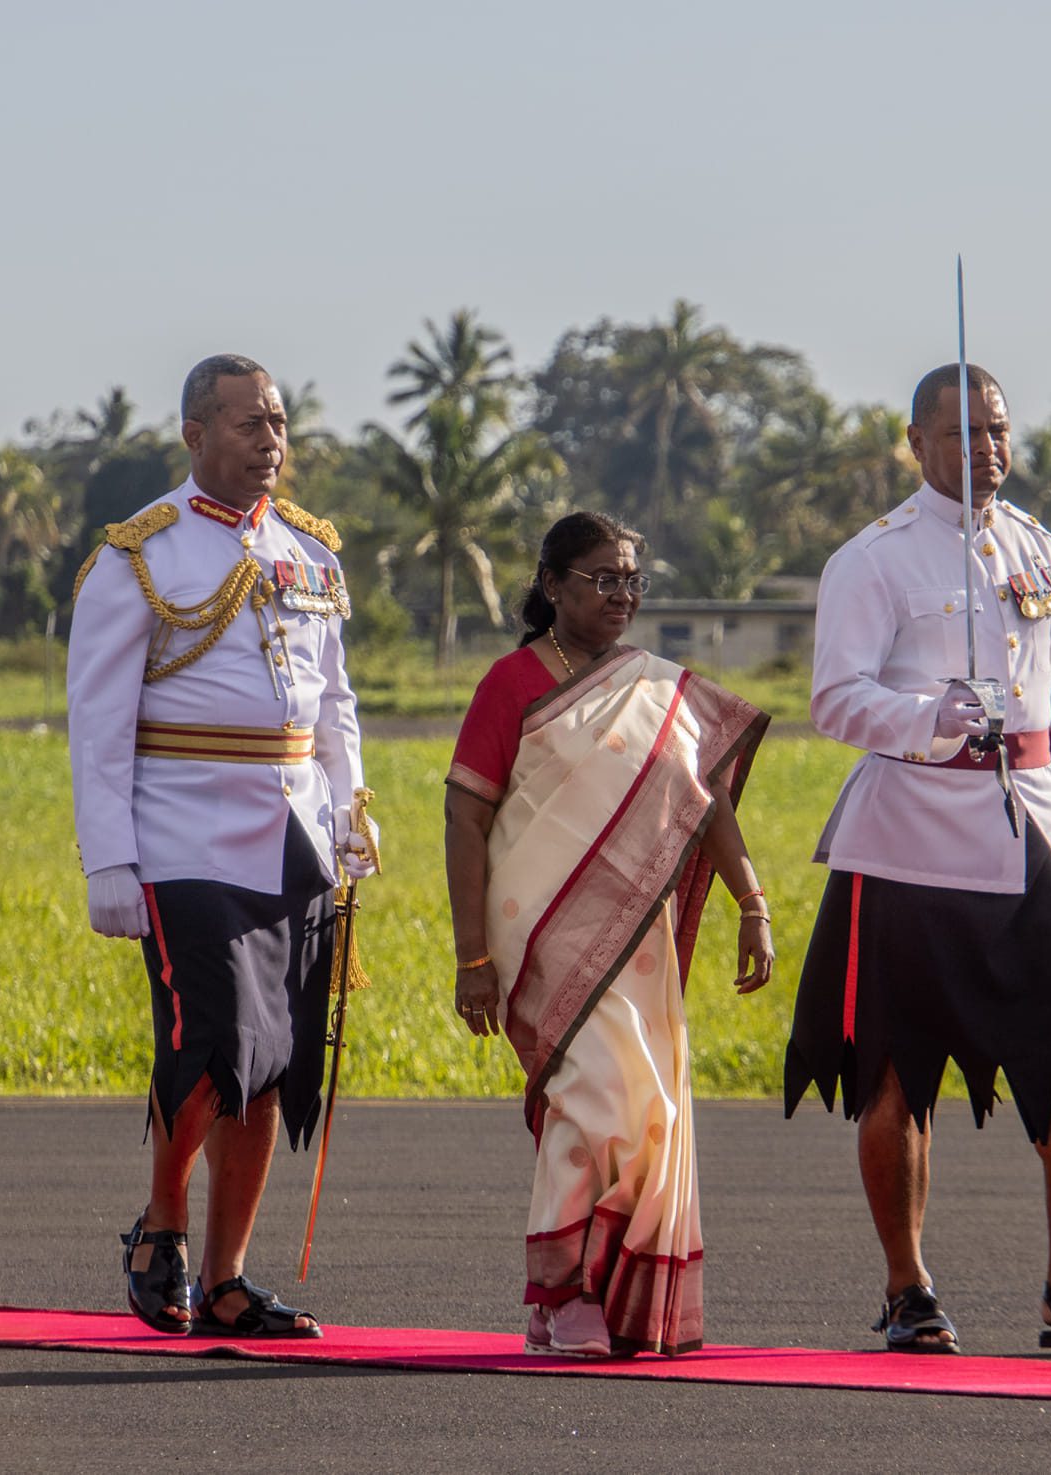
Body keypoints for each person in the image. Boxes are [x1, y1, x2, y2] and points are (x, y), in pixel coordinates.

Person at [784, 363, 1051, 1354]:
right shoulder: (869, 560)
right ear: (912, 443)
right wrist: (926, 718)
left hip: (1039, 835)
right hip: (910, 838)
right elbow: (833, 697)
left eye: (996, 429)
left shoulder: (1039, 548)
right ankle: (906, 1285)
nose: (983, 448)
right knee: (894, 1068)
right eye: (958, 432)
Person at [67, 354, 374, 1338]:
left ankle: (231, 1276)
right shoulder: (140, 556)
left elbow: (335, 704)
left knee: (273, 1059)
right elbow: (97, 721)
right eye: (247, 424)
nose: (268, 442)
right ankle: (163, 1225)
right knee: (209, 1043)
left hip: (290, 832)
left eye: (277, 423)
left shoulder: (310, 554)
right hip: (182, 831)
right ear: (196, 434)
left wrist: (348, 811)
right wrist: (107, 859)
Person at [443, 511, 774, 1358]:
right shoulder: (512, 682)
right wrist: (472, 956)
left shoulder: (660, 684)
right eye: (601, 577)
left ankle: (614, 1295)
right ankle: (565, 1292)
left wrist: (752, 902)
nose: (620, 593)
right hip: (541, 930)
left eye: (631, 578)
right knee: (593, 1099)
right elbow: (464, 813)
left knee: (649, 1110)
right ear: (552, 585)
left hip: (638, 937)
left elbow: (707, 805)